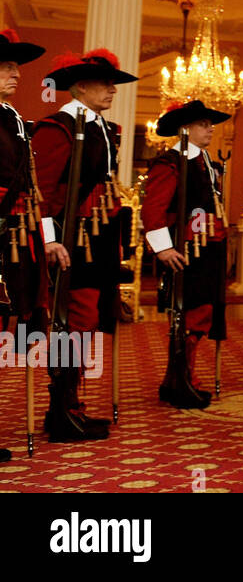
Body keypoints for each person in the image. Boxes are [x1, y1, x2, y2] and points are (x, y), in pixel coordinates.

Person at [33, 48, 137, 442]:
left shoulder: (107, 129)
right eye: (104, 83)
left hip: (100, 238)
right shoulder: (56, 128)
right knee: (70, 322)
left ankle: (72, 404)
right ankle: (60, 409)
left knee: (89, 320)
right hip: (69, 238)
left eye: (113, 83)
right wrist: (49, 239)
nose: (112, 89)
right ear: (78, 87)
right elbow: (41, 191)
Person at [143, 99, 232, 409]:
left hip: (209, 250)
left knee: (203, 315)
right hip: (186, 252)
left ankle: (177, 379)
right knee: (189, 316)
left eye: (210, 124)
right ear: (186, 129)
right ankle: (181, 380)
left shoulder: (208, 161)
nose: (210, 129)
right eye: (202, 124)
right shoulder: (170, 162)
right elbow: (153, 207)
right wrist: (164, 248)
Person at [0, 28, 46, 462]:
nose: (17, 74)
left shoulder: (12, 117)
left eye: (17, 67)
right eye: (8, 66)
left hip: (15, 237)